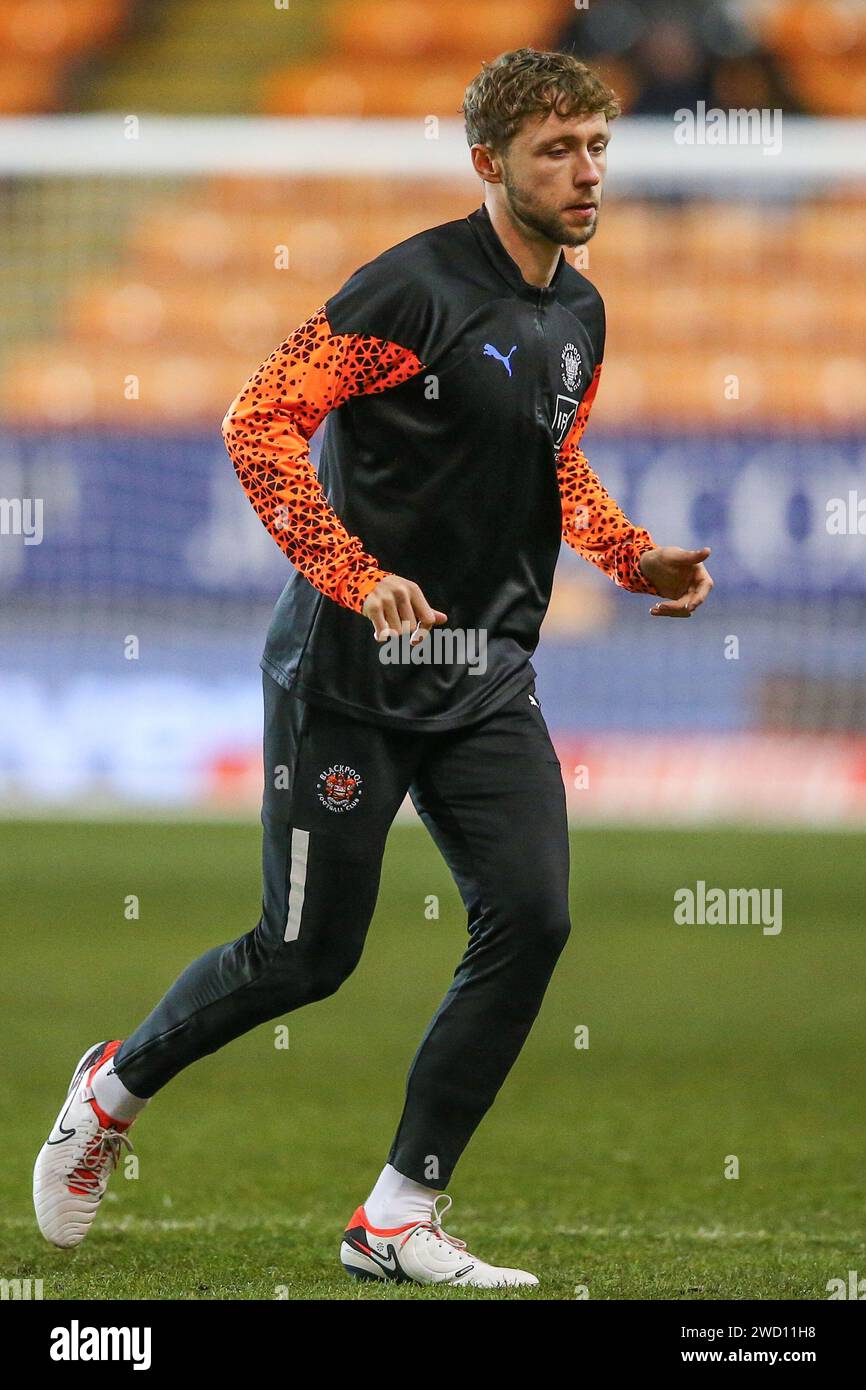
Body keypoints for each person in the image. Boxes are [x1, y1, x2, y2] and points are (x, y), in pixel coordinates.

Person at [34, 47, 712, 1288]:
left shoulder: (579, 312)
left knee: (534, 916)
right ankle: (112, 1088)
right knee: (305, 957)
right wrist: (353, 574)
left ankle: (398, 1212)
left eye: (595, 147)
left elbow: (540, 457)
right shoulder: (407, 290)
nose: (584, 172)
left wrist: (629, 556)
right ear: (487, 162)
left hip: (481, 672)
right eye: (555, 149)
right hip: (345, 678)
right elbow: (258, 420)